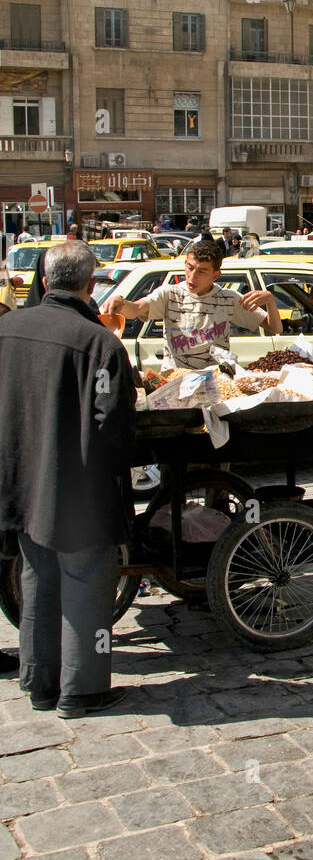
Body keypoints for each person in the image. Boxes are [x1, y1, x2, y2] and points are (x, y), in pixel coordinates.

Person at [0, 242, 137, 718]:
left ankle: (39, 682)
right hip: (78, 489)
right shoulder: (100, 342)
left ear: (42, 279)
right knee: (86, 583)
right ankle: (83, 688)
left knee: (36, 576)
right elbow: (113, 425)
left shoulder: (7, 330)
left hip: (22, 484)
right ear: (90, 285)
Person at [107, 238, 281, 371]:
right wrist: (121, 303)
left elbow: (275, 328)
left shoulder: (229, 299)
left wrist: (270, 301)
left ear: (215, 275)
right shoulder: (169, 294)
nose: (192, 276)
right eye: (190, 268)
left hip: (215, 385)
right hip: (176, 386)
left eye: (201, 272)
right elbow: (135, 309)